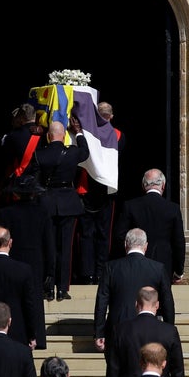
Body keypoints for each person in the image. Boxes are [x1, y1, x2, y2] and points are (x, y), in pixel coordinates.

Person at [95, 229, 175, 377]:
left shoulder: (111, 267)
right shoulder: (157, 268)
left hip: (118, 329)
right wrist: (168, 329)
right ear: (146, 246)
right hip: (151, 331)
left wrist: (99, 332)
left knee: (119, 375)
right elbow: (167, 302)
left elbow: (102, 300)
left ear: (125, 245)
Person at [35, 119, 90, 300]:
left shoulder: (40, 154)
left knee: (48, 246)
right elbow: (85, 152)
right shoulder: (72, 152)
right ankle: (62, 288)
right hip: (68, 203)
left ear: (49, 137)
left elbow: (34, 179)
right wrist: (78, 132)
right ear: (64, 135)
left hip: (47, 203)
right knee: (66, 248)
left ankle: (48, 288)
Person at [0, 175, 54, 341]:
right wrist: (50, 270)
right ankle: (36, 336)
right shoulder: (43, 213)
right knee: (34, 299)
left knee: (12, 298)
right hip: (36, 262)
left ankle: (12, 331)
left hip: (12, 259)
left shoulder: (6, 213)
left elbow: (0, 239)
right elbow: (49, 244)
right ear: (34, 194)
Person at [110, 286, 184, 377]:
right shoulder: (169, 331)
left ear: (136, 304)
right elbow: (177, 371)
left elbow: (113, 369)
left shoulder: (120, 330)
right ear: (157, 305)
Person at [75, 101, 120, 284]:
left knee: (86, 235)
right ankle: (101, 272)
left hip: (87, 191)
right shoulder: (117, 135)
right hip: (104, 192)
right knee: (103, 234)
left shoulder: (86, 135)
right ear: (111, 116)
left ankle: (87, 273)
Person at [114, 169, 185, 283]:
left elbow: (120, 236)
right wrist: (178, 271)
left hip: (135, 264)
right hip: (164, 265)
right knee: (160, 299)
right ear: (163, 185)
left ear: (143, 185)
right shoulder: (173, 209)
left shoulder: (130, 206)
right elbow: (179, 242)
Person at [1, 103, 46, 181]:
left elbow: (6, 161)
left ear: (21, 118)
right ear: (34, 116)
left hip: (18, 182)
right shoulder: (45, 135)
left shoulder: (12, 136)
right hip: (38, 182)